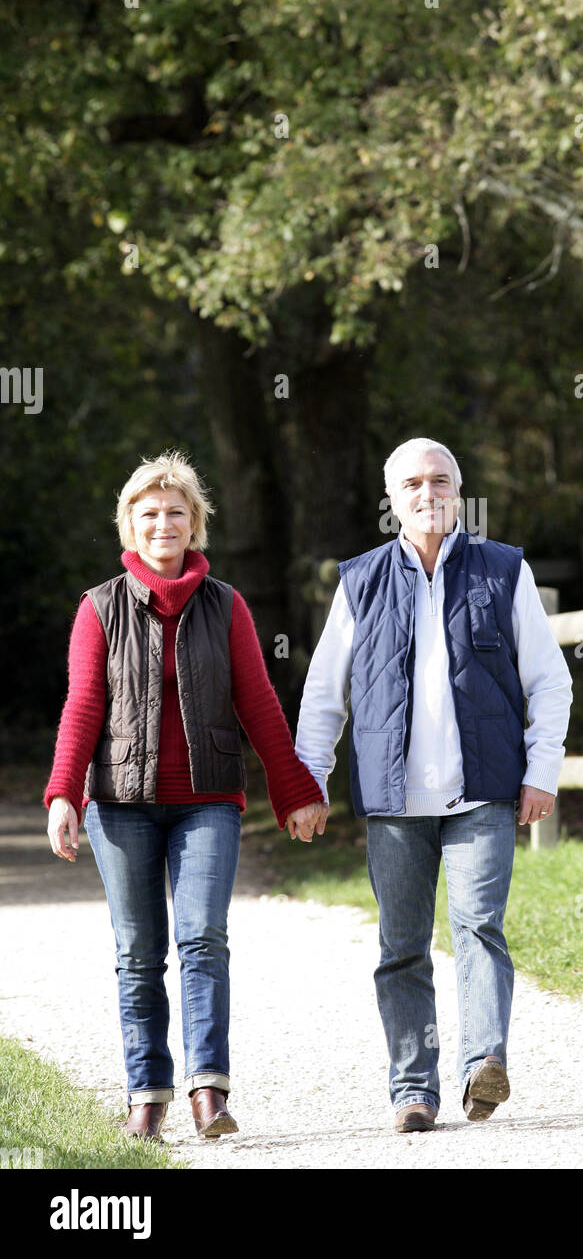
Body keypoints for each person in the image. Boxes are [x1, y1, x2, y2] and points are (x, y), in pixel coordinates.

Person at [45, 450, 324, 1142]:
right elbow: (83, 705)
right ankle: (147, 1094)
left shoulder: (226, 605)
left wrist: (293, 789)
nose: (162, 523)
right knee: (138, 950)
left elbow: (257, 700)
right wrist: (64, 796)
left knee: (203, 936)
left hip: (208, 800)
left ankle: (209, 1091)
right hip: (120, 804)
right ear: (130, 527)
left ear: (194, 524)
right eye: (149, 514)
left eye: (175, 512)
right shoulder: (98, 608)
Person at [295, 437, 572, 1130]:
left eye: (440, 480)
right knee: (402, 946)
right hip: (394, 804)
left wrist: (541, 773)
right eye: (412, 483)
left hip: (483, 790)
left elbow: (549, 680)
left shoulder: (503, 569)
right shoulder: (359, 581)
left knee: (480, 926)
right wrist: (309, 781)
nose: (428, 492)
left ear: (459, 489)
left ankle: (484, 1066)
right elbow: (325, 693)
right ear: (391, 498)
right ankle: (414, 1090)